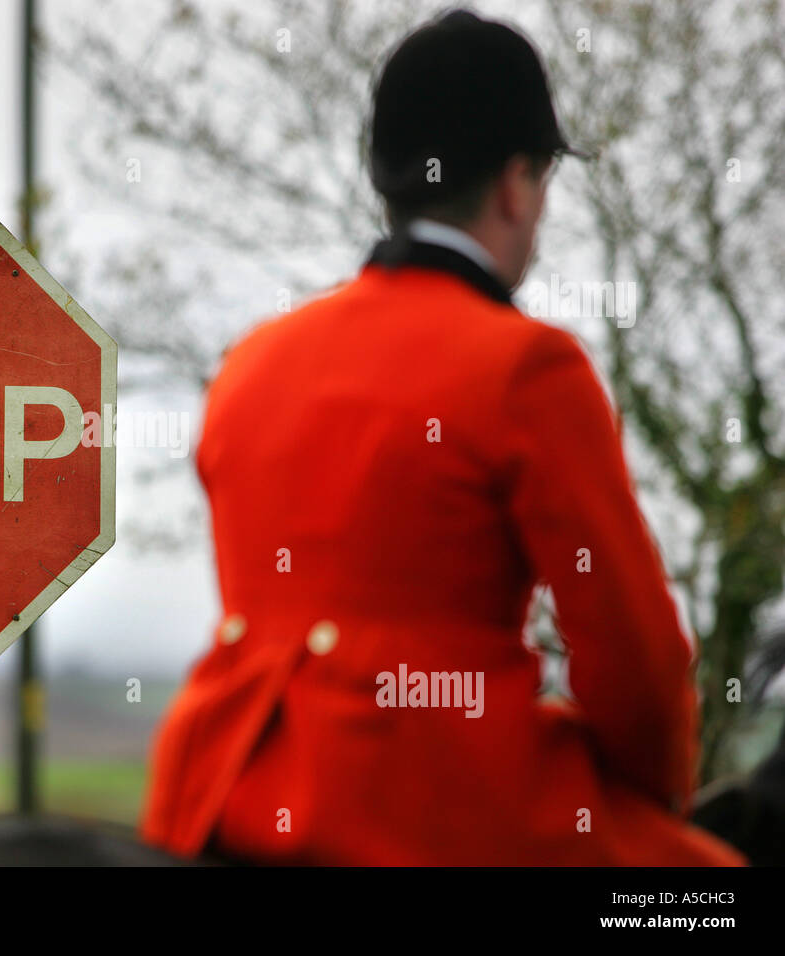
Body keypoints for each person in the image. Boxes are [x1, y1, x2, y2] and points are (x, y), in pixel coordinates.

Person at [138, 9, 745, 865]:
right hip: (424, 801)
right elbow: (633, 657)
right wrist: (658, 792)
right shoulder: (526, 366)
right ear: (516, 185)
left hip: (215, 791)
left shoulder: (254, 361)